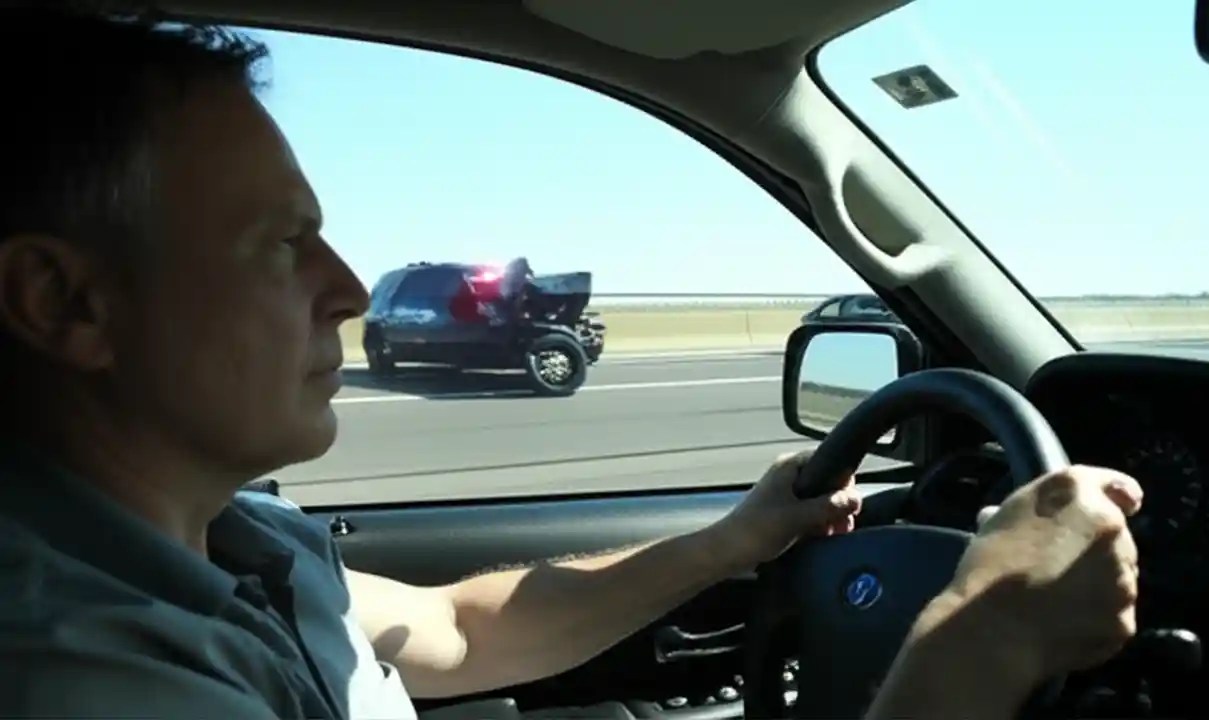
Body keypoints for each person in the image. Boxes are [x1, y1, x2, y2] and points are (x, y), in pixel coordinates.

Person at [0, 7, 1141, 719]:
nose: (347, 291)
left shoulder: (240, 541)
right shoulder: (88, 675)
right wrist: (982, 642)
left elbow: (459, 630)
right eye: (282, 244)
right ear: (66, 302)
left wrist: (729, 544)